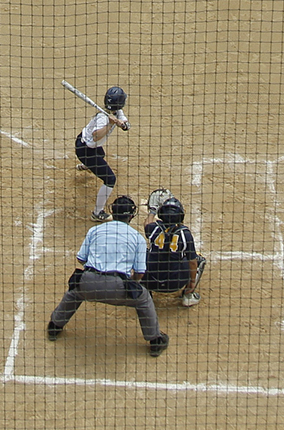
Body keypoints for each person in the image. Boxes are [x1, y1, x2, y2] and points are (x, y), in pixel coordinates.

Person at [46, 195, 169, 357]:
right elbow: (140, 272)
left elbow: (81, 258)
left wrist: (94, 271)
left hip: (88, 283)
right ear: (131, 216)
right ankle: (155, 341)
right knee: (144, 299)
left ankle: (54, 327)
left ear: (113, 212)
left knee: (74, 292)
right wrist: (131, 284)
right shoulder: (137, 238)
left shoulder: (95, 230)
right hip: (117, 288)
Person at [75, 86, 130, 221]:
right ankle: (97, 213)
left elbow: (125, 123)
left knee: (101, 155)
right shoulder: (102, 117)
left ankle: (87, 166)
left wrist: (122, 124)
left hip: (91, 147)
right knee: (110, 179)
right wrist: (110, 124)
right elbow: (96, 136)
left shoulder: (116, 112)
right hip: (85, 150)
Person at [142, 190, 205, 307]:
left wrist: (152, 211)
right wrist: (191, 282)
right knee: (199, 260)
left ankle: (145, 296)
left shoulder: (154, 229)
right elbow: (192, 262)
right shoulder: (185, 234)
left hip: (150, 281)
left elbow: (147, 224)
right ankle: (188, 296)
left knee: (142, 253)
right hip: (176, 283)